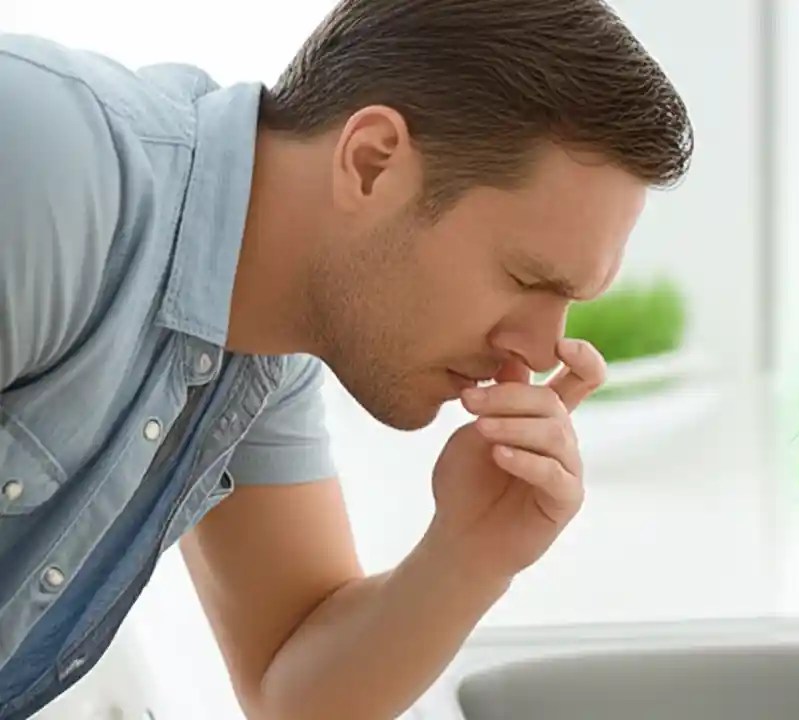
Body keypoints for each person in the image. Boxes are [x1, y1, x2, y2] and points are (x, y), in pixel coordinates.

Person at [0, 0, 693, 716]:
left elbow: (292, 690)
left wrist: (470, 553)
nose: (544, 349)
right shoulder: (45, 166)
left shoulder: (260, 342)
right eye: (525, 277)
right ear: (371, 163)